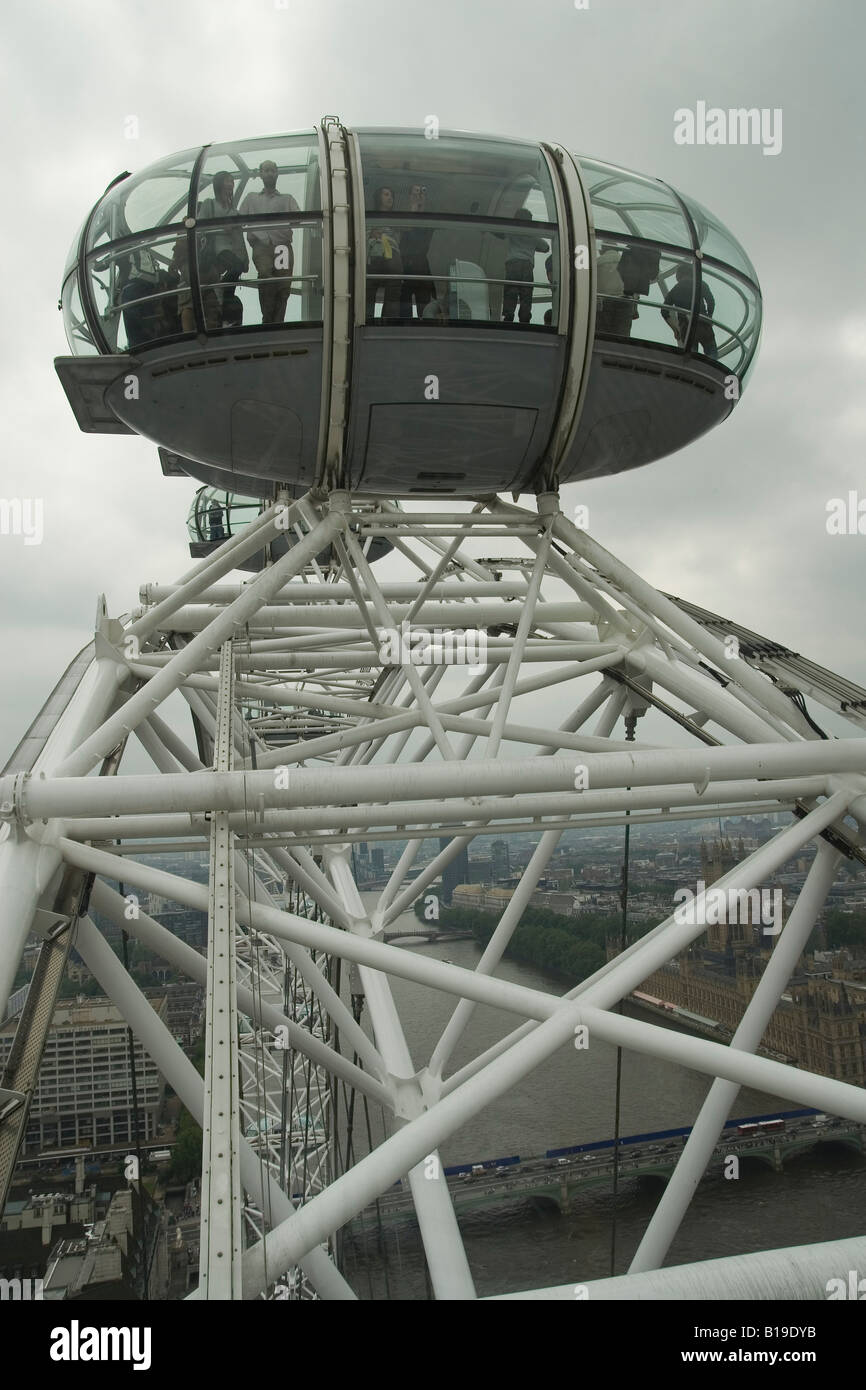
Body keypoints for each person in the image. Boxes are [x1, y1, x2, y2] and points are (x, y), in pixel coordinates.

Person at [239, 160, 300, 324]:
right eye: (266, 170)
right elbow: (238, 218)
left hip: (282, 247)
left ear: (277, 173)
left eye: (272, 170)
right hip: (261, 245)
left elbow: (298, 218)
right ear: (260, 174)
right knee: (265, 275)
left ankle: (278, 322)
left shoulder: (287, 199)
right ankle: (268, 319)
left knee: (283, 285)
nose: (270, 173)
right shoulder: (251, 198)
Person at [196, 171, 249, 327]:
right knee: (235, 268)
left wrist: (245, 257)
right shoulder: (209, 204)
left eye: (232, 181)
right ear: (219, 183)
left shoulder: (234, 210)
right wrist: (220, 228)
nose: (231, 184)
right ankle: (221, 295)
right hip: (218, 248)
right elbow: (199, 228)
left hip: (234, 249)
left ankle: (226, 316)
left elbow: (240, 237)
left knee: (232, 284)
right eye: (228, 181)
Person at [500, 208, 548, 325]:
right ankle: (525, 320)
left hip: (513, 263)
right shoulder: (533, 235)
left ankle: (508, 317)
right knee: (526, 293)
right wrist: (533, 247)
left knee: (511, 291)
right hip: (527, 265)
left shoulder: (512, 230)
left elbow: (499, 234)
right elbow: (546, 247)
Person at [662, 262, 718, 357]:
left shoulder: (675, 289)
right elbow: (711, 301)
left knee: (692, 359)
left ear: (678, 275)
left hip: (686, 328)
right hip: (703, 324)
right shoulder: (701, 284)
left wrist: (675, 329)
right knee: (712, 355)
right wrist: (709, 317)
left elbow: (664, 310)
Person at [366, 186, 403, 320]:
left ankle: (389, 322)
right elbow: (362, 233)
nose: (390, 198)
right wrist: (371, 233)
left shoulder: (396, 219)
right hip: (374, 254)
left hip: (392, 255)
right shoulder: (370, 215)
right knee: (368, 292)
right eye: (386, 194)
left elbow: (402, 235)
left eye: (391, 195)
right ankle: (366, 320)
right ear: (378, 198)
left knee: (393, 292)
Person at [399, 184, 435, 320]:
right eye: (415, 193)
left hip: (421, 266)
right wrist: (414, 207)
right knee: (404, 307)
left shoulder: (428, 219)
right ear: (409, 197)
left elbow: (426, 240)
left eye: (421, 193)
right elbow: (404, 231)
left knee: (424, 307)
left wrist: (422, 206)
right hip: (405, 265)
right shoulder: (401, 217)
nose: (419, 196)